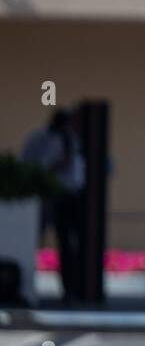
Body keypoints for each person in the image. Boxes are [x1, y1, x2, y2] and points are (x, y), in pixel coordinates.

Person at [21, 110, 85, 305]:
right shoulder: (43, 139)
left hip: (71, 196)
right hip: (48, 195)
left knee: (68, 243)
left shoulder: (75, 141)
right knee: (33, 240)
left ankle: (70, 290)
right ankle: (25, 288)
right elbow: (36, 165)